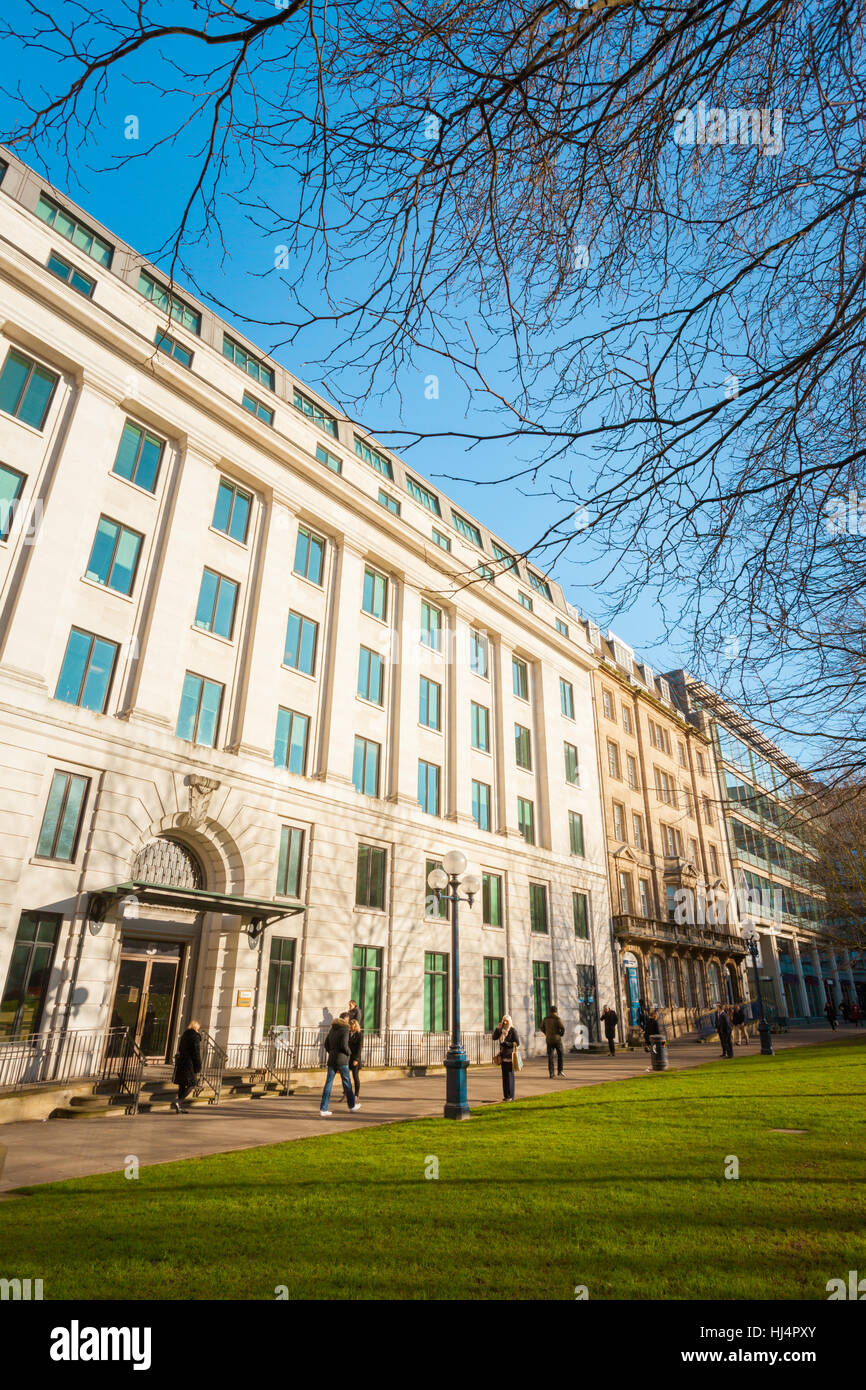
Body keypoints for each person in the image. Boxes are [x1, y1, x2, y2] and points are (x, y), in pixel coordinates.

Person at [320, 1013, 362, 1117]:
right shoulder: (345, 1030)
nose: (349, 1021)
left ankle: (323, 1109)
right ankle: (352, 1106)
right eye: (347, 1019)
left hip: (332, 1060)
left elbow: (326, 1044)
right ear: (344, 1020)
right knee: (347, 1083)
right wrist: (349, 1053)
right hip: (342, 1060)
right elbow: (344, 1045)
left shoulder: (332, 1030)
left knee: (328, 1084)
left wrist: (332, 1052)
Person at [172, 1019, 201, 1114]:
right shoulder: (195, 1037)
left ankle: (179, 1107)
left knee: (182, 1084)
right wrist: (198, 1065)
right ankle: (179, 1101)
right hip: (189, 1063)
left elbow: (180, 1048)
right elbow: (196, 1053)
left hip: (182, 1062)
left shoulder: (184, 1035)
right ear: (196, 1027)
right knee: (192, 1083)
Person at [493, 1014, 520, 1102]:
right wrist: (498, 1028)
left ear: (509, 1022)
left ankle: (510, 1095)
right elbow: (494, 1037)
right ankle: (506, 1096)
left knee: (510, 1076)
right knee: (504, 1077)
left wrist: (506, 1043)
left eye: (506, 1021)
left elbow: (517, 1043)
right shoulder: (501, 1030)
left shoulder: (512, 1030)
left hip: (510, 1055)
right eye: (503, 1020)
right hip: (503, 1056)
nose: (505, 1022)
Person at [541, 1004, 565, 1077]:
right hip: (557, 1040)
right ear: (556, 1011)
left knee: (550, 1057)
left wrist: (546, 1033)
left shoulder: (545, 1019)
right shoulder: (557, 1019)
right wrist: (561, 1034)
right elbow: (562, 1028)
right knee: (560, 1055)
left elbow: (541, 1027)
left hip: (549, 1040)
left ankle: (551, 1073)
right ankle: (560, 1071)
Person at [347, 1018, 363, 1101]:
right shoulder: (348, 1033)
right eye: (350, 1026)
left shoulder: (359, 1034)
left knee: (355, 1077)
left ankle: (356, 1094)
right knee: (346, 1077)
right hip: (348, 1058)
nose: (351, 1028)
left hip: (355, 1058)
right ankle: (346, 1094)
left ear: (355, 1026)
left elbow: (359, 1048)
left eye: (352, 1026)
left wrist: (356, 1059)